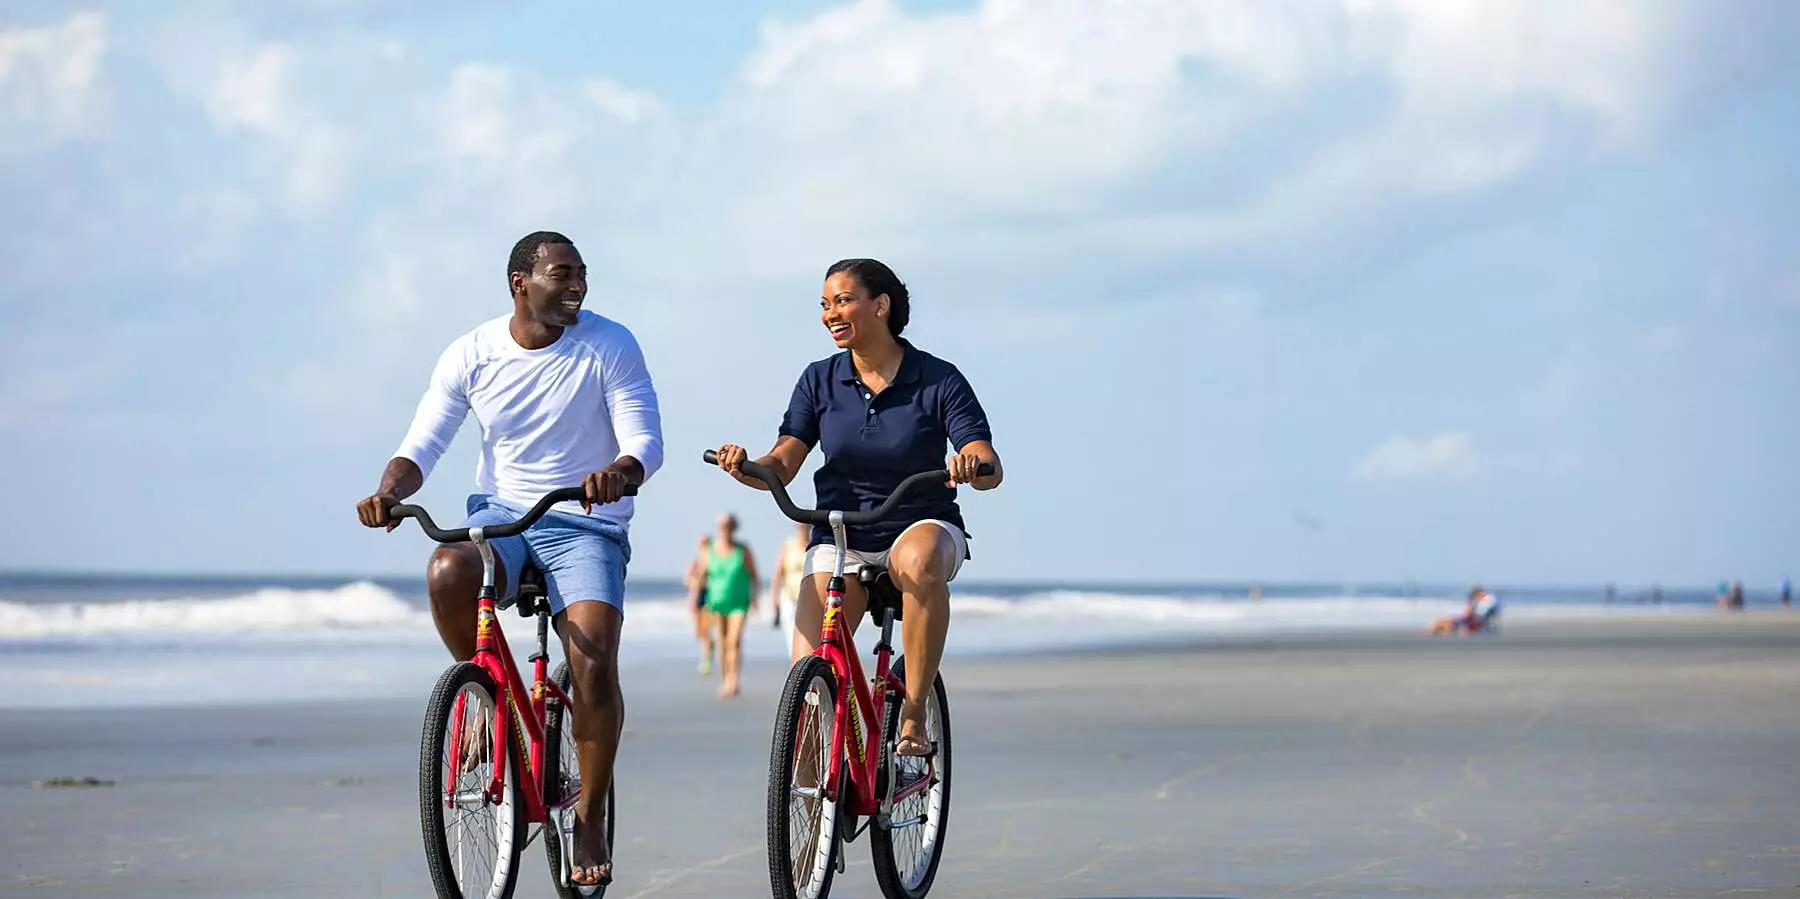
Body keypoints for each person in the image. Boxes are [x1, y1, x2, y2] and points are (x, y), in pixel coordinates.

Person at [354, 231, 660, 890]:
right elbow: (423, 444)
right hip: (503, 516)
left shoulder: (610, 343)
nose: (577, 285)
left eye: (582, 273)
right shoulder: (473, 352)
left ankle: (589, 814)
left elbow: (645, 438)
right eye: (562, 273)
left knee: (594, 654)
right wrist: (388, 491)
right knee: (448, 567)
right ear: (520, 282)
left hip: (586, 523)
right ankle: (488, 701)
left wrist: (620, 471)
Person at [711, 257, 1003, 758]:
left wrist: (969, 463)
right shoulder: (818, 380)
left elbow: (987, 463)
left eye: (843, 300)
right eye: (825, 305)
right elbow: (784, 460)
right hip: (841, 533)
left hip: (921, 522)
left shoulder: (938, 379)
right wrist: (749, 468)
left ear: (881, 306)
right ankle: (811, 813)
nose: (831, 313)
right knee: (806, 686)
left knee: (919, 557)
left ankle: (912, 711)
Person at [702, 513, 760, 698]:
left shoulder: (742, 550)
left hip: (739, 603)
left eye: (728, 525)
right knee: (721, 643)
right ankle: (725, 678)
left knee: (734, 641)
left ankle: (733, 681)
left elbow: (754, 576)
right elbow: (700, 575)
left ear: (734, 528)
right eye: (721, 525)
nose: (724, 529)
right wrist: (696, 601)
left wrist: (755, 599)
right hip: (716, 603)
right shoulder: (709, 550)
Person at [769, 521, 810, 631]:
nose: (803, 530)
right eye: (801, 527)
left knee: (809, 633)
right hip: (789, 596)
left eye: (806, 527)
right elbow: (778, 572)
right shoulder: (788, 546)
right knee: (792, 632)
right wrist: (774, 597)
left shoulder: (814, 546)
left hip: (809, 597)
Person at [684, 534, 714, 674]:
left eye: (705, 543)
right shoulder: (695, 562)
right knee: (699, 632)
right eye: (701, 543)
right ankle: (708, 652)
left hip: (709, 598)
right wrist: (694, 580)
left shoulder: (712, 560)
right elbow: (686, 579)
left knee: (705, 629)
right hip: (696, 598)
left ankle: (706, 660)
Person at [1426, 586, 1500, 636]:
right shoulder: (1488, 601)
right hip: (1473, 623)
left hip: (1470, 623)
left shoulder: (1480, 602)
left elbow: (1468, 615)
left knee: (1443, 622)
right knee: (1443, 622)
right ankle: (1434, 630)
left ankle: (1433, 631)